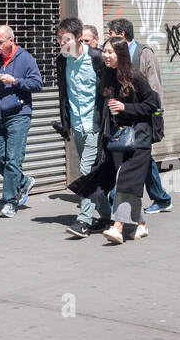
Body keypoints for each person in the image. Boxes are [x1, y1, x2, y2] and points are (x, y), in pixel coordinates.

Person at [68, 36, 160, 245]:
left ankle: (117, 227)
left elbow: (152, 104)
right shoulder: (108, 75)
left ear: (121, 54)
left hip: (139, 138)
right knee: (126, 183)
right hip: (118, 138)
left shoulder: (135, 76)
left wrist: (126, 107)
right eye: (105, 51)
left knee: (125, 182)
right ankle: (141, 225)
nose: (106, 55)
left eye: (110, 52)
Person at [0, 24, 43, 219]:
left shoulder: (25, 58)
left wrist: (15, 81)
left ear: (11, 41)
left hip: (19, 115)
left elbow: (37, 84)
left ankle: (9, 202)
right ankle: (23, 181)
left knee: (13, 159)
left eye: (0, 42)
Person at [108, 18, 173, 215]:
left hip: (143, 117)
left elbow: (154, 87)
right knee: (142, 158)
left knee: (140, 157)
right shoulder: (114, 59)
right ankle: (160, 198)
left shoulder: (144, 53)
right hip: (126, 120)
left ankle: (121, 204)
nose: (108, 38)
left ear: (121, 35)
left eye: (111, 34)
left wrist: (157, 114)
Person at [54, 18, 107, 238]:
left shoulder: (97, 58)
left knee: (86, 170)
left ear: (77, 38)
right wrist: (65, 122)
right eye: (59, 39)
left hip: (95, 124)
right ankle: (106, 216)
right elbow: (63, 94)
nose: (61, 43)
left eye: (65, 39)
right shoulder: (62, 60)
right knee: (92, 173)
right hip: (76, 124)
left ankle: (84, 221)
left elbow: (109, 90)